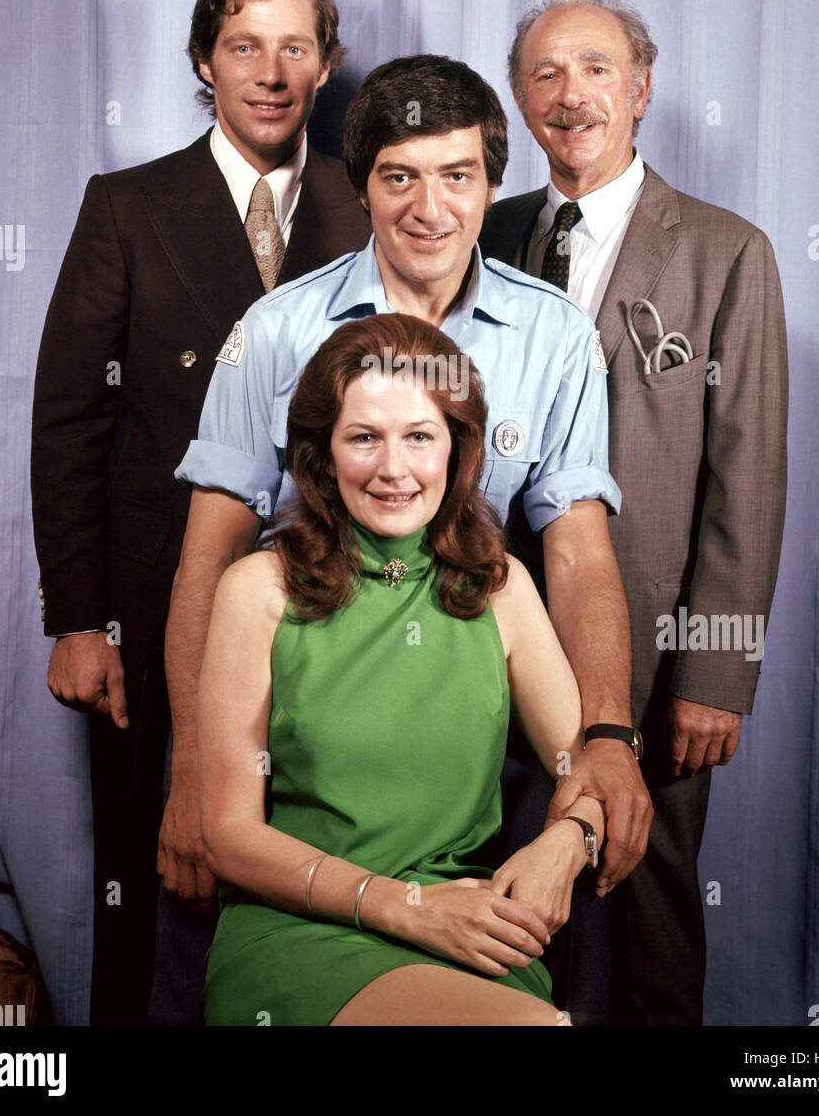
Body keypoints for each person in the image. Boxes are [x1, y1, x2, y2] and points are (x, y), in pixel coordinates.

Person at [164, 55, 653, 1020]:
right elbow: (208, 556)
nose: (430, 207)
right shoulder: (272, 330)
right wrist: (198, 779)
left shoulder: (554, 338)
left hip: (460, 717)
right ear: (360, 187)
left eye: (457, 176)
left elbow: (582, 552)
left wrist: (601, 747)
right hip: (299, 729)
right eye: (399, 177)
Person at [30, 0, 371, 1025]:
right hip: (149, 606)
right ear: (202, 63)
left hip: (338, 602)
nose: (269, 72)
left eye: (293, 47)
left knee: (312, 868)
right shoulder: (125, 206)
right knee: (157, 869)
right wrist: (80, 619)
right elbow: (70, 423)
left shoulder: (374, 207)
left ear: (326, 66)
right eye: (242, 46)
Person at [480, 0, 789, 1024]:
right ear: (521, 100)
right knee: (508, 896)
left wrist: (716, 670)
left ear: (642, 89)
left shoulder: (724, 249)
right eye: (546, 74)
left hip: (655, 657)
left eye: (597, 70)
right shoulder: (481, 229)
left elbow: (746, 476)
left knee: (644, 902)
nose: (572, 96)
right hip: (491, 634)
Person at [198, 313, 605, 1025]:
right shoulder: (259, 590)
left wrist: (569, 842)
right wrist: (405, 910)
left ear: (458, 448)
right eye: (364, 438)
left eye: (420, 436)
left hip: (468, 929)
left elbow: (592, 772)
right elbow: (228, 836)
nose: (394, 469)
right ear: (323, 454)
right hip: (301, 931)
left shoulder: (502, 588)